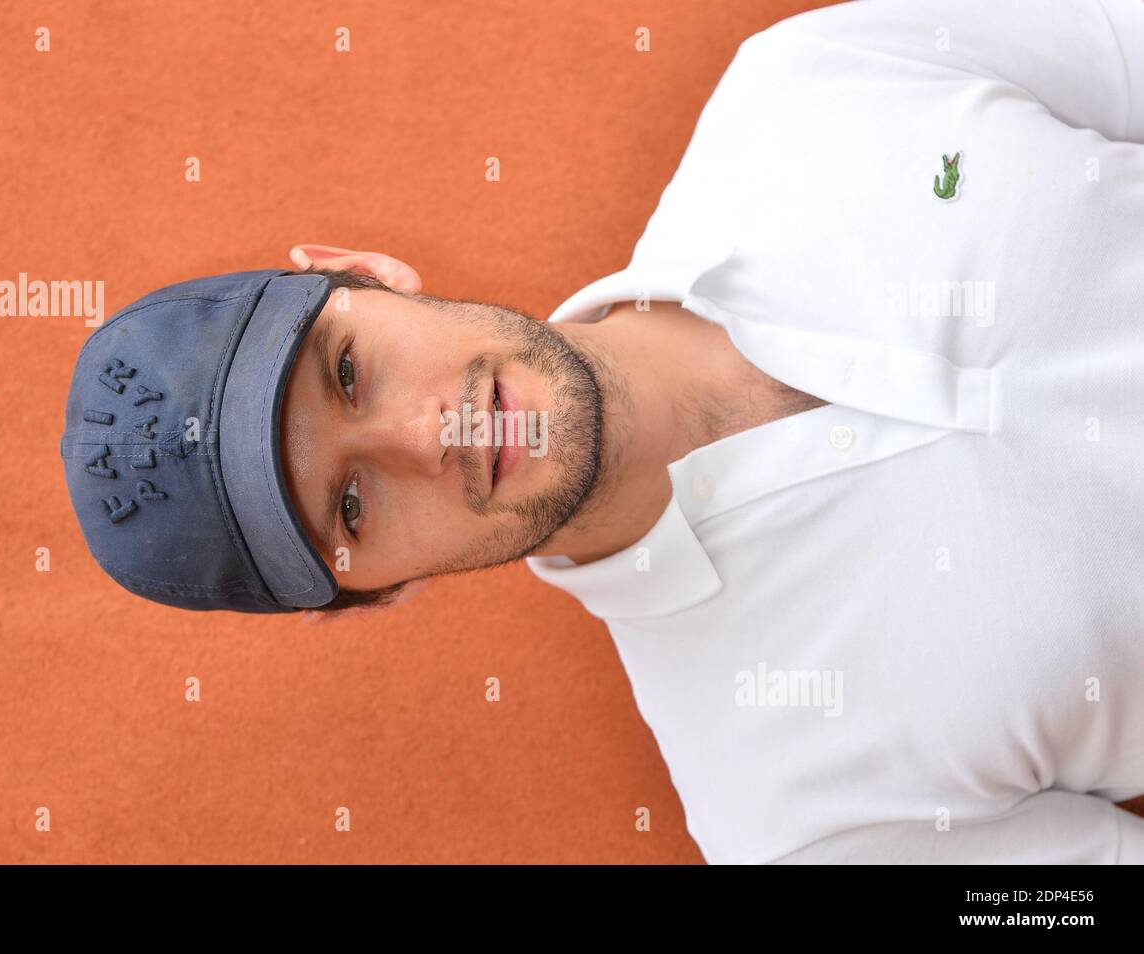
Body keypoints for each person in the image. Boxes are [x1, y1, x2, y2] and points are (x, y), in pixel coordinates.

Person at [61, 0, 1144, 862]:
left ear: (363, 273)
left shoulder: (802, 84)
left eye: (349, 371)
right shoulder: (791, 825)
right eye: (351, 505)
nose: (423, 435)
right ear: (374, 594)